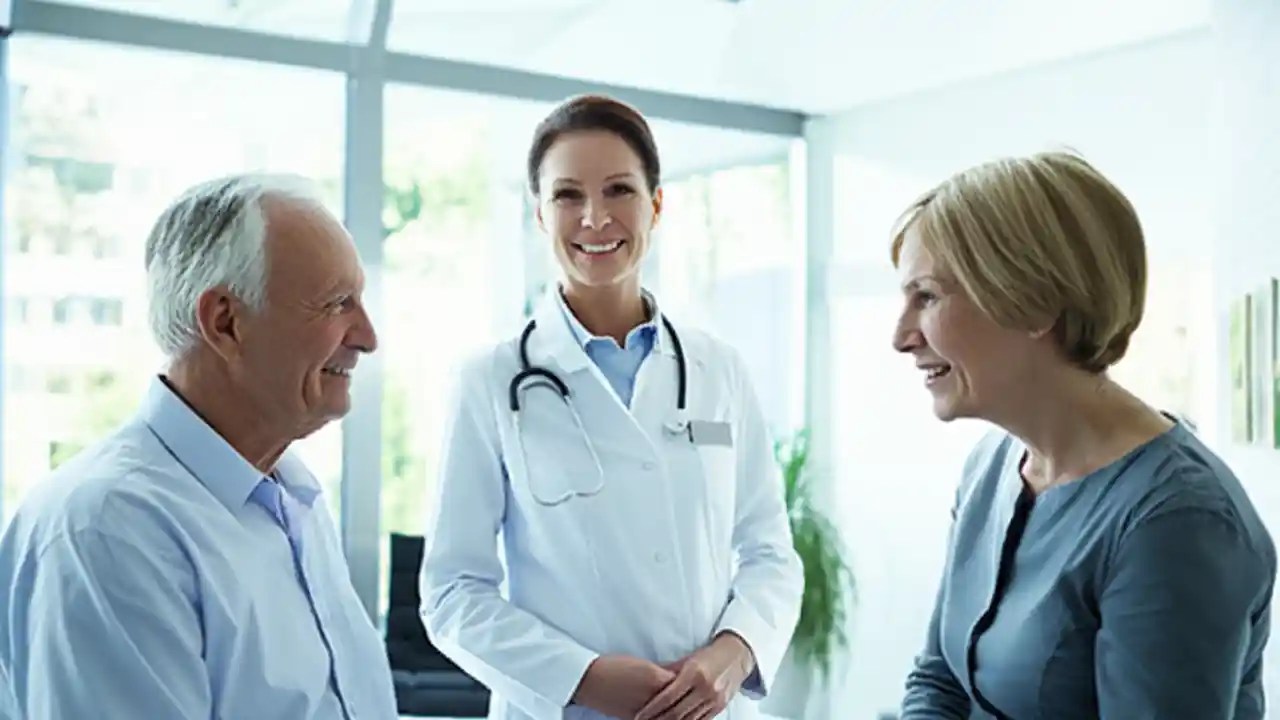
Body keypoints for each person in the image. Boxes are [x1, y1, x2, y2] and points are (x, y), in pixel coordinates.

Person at [419, 94, 804, 720]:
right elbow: (452, 592)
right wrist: (583, 678)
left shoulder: (718, 370)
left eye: (619, 190)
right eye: (567, 195)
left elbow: (770, 553)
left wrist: (734, 653)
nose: (595, 218)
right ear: (539, 214)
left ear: (656, 204)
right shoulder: (489, 380)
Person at [891, 150, 1276, 718]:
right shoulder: (990, 466)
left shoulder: (1178, 519)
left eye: (926, 296)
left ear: (1034, 303)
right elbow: (940, 680)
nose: (901, 336)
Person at [0, 175, 398, 719]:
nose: (367, 337)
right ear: (225, 322)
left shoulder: (288, 494)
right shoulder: (111, 528)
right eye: (336, 303)